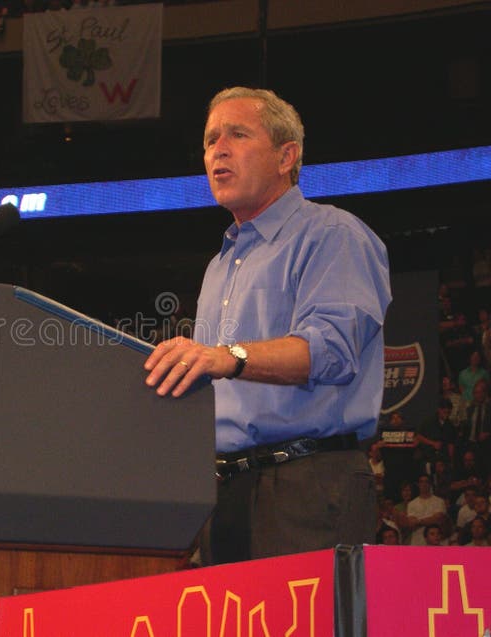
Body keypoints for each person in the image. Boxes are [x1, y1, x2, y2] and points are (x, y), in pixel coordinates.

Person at [144, 86, 391, 564]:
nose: (218, 148)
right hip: (223, 492)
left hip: (308, 485)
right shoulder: (220, 264)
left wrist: (226, 356)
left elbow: (332, 350)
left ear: (286, 156)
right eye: (211, 138)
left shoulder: (332, 235)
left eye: (238, 133)